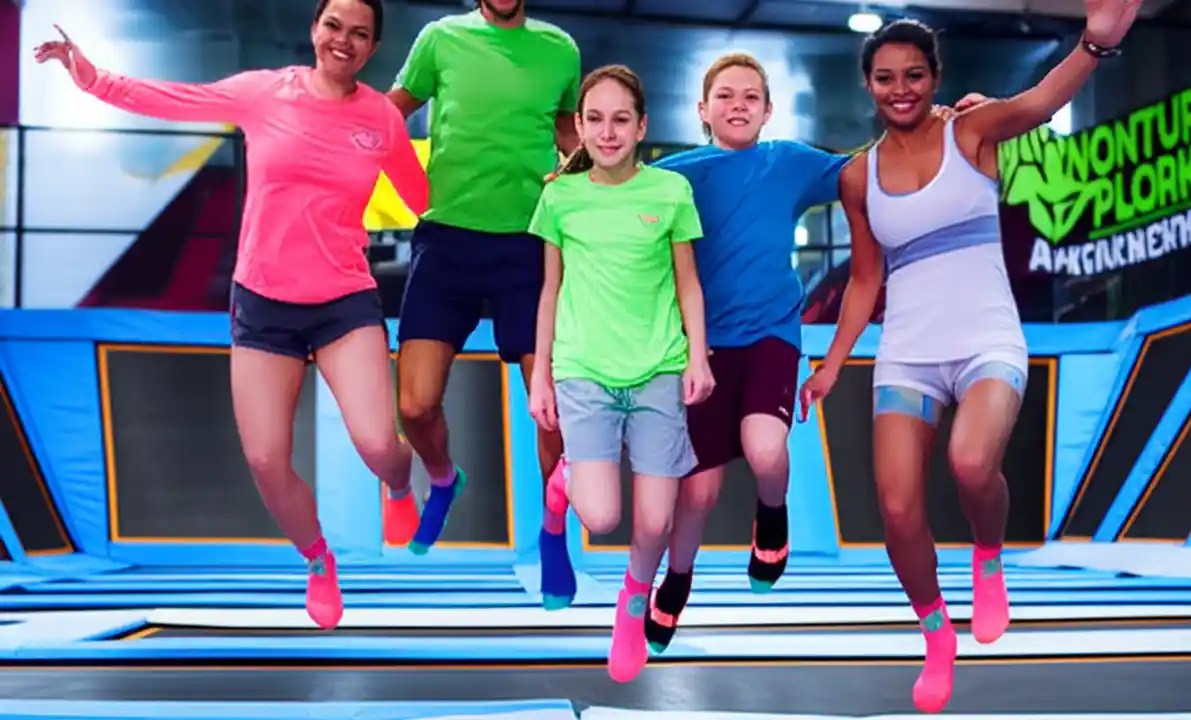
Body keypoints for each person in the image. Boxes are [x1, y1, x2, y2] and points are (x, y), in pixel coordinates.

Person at [34, 0, 430, 630]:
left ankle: (402, 489)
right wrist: (87, 74)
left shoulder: (380, 118)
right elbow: (168, 99)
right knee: (267, 462)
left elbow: (425, 199)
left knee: (380, 443)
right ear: (314, 29)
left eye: (359, 34)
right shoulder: (264, 93)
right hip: (264, 302)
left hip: (343, 300)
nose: (343, 41)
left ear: (372, 48)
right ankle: (318, 557)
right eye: (334, 26)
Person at [800, 4, 1141, 713]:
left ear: (936, 78)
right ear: (867, 83)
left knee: (969, 463)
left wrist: (1093, 45)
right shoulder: (859, 178)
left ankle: (989, 556)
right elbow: (866, 277)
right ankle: (936, 633)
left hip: (987, 340)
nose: (902, 89)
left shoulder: (972, 131)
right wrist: (832, 362)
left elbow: (1043, 99)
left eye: (915, 75)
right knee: (897, 510)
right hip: (908, 355)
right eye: (887, 77)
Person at [641, 52, 991, 654]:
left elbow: (869, 167)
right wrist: (569, 172)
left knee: (766, 447)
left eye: (752, 96)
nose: (739, 105)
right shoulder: (677, 175)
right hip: (699, 347)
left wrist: (934, 123)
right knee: (696, 492)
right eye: (725, 96)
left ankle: (771, 515)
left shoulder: (790, 162)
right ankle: (676, 579)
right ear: (702, 111)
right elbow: (614, 189)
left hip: (772, 336)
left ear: (769, 110)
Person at [383, 0, 581, 605]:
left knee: (549, 410)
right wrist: (411, 192)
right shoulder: (440, 40)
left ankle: (553, 536)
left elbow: (569, 133)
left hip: (529, 243)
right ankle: (443, 480)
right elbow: (390, 116)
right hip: (446, 241)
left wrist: (583, 177)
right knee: (415, 408)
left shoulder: (560, 50)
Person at [527, 64, 714, 683]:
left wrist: (698, 356)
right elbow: (549, 290)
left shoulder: (669, 194)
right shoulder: (559, 196)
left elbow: (688, 283)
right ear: (578, 127)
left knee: (655, 521)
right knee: (601, 517)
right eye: (595, 119)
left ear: (642, 127)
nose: (608, 132)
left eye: (621, 120)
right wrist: (542, 377)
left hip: (658, 370)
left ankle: (633, 603)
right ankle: (559, 499)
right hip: (583, 373)